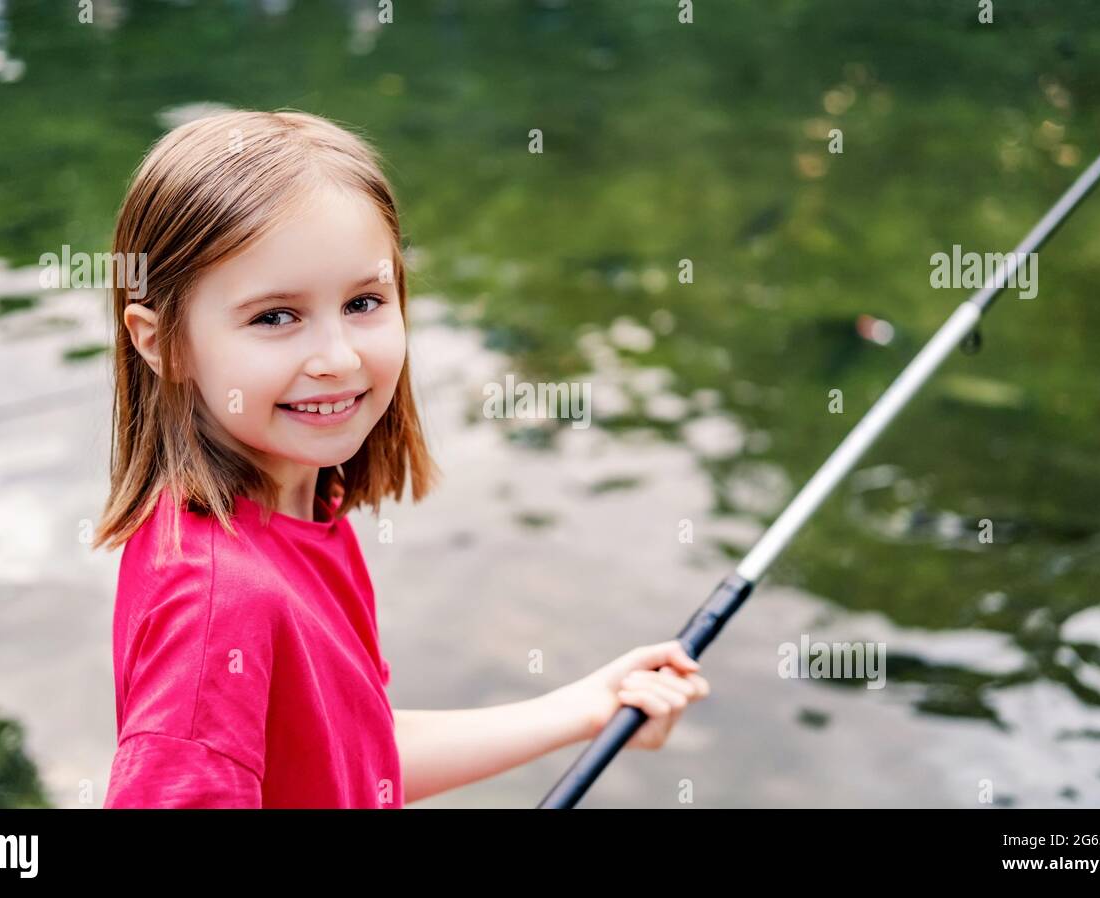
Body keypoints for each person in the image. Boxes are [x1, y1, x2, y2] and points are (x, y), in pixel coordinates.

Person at [92, 110, 710, 808]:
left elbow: (354, 760)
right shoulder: (218, 599)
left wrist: (588, 708)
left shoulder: (301, 516)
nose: (339, 357)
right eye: (275, 316)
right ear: (161, 343)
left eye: (363, 302)